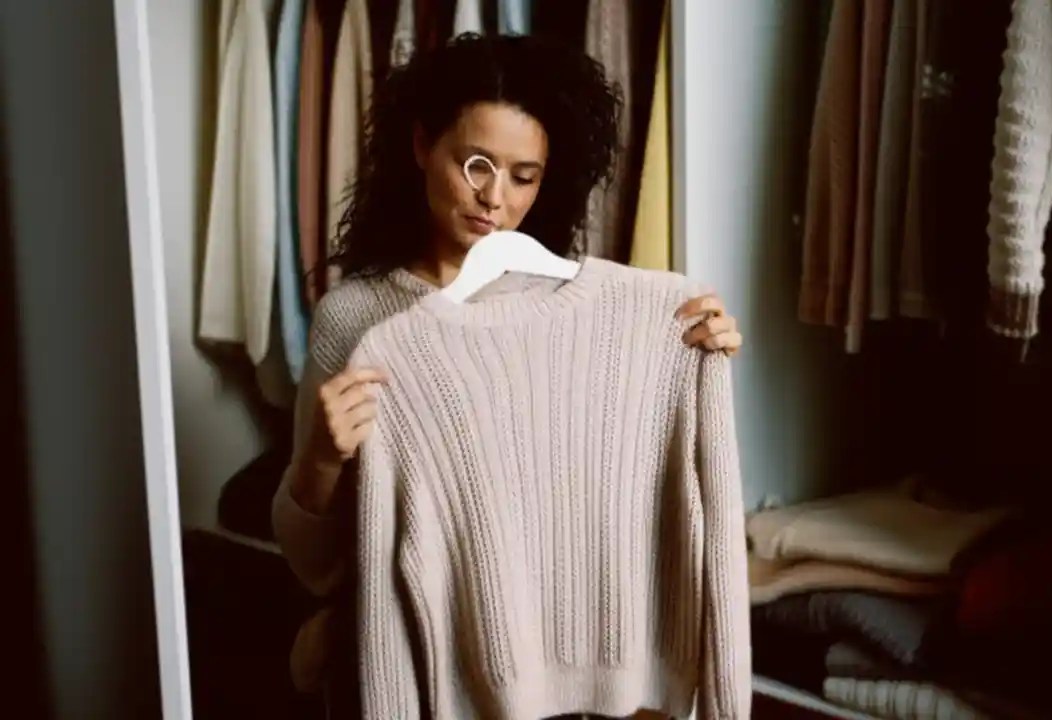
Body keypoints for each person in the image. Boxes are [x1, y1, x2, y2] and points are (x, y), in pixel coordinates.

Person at [270, 33, 746, 718]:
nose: (495, 198)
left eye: (524, 176)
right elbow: (315, 566)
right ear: (420, 146)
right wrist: (319, 457)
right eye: (476, 165)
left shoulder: (592, 320)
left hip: (577, 694)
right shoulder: (358, 322)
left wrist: (699, 355)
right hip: (428, 677)